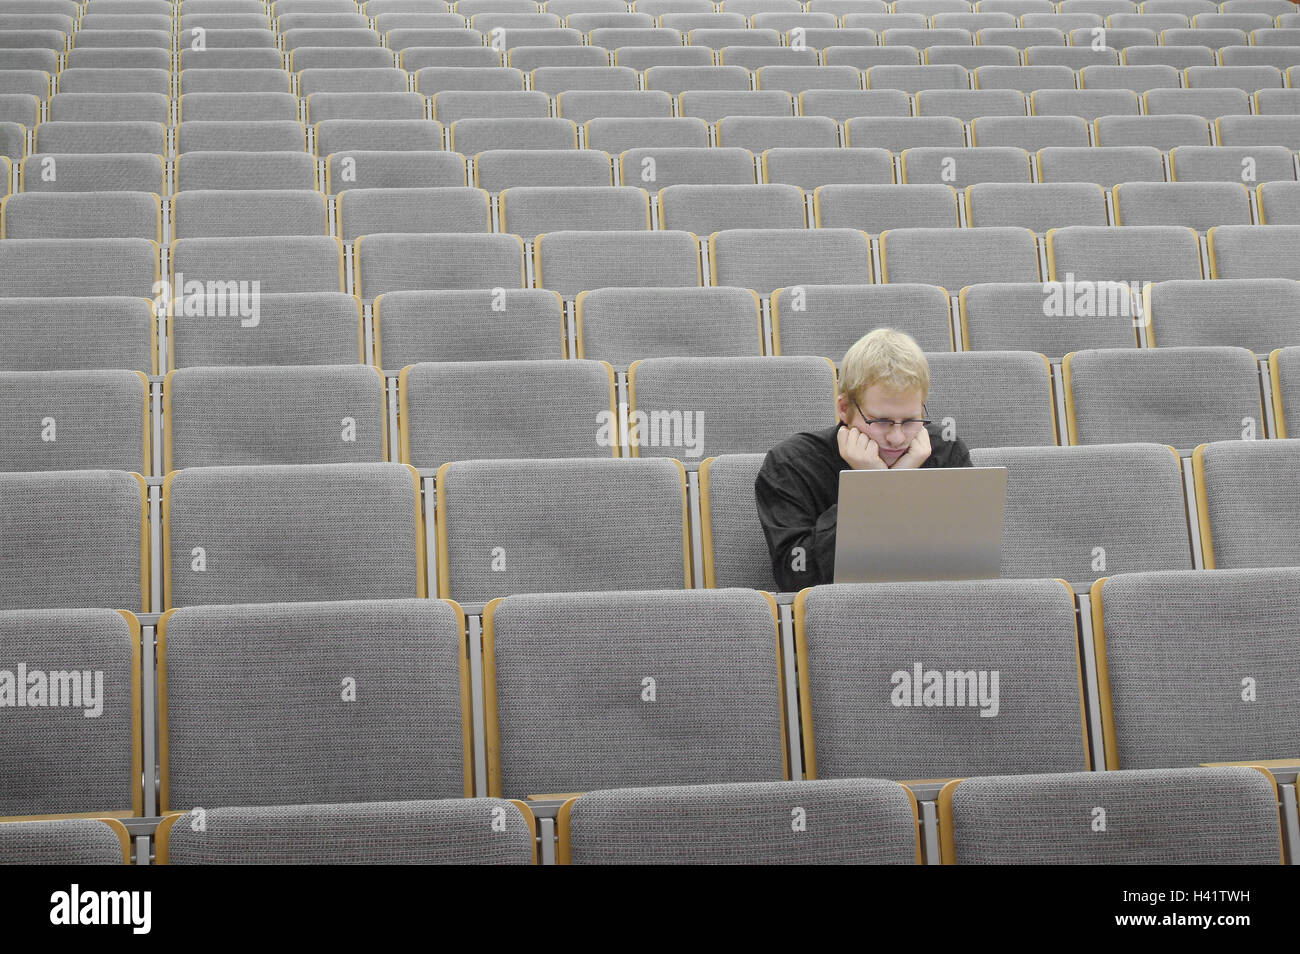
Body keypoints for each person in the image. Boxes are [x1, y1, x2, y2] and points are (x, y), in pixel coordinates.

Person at [755, 328, 972, 591]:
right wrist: (871, 489)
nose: (896, 437)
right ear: (844, 408)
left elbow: (970, 568)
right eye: (881, 421)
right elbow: (796, 578)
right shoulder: (789, 465)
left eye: (911, 420)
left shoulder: (946, 452)